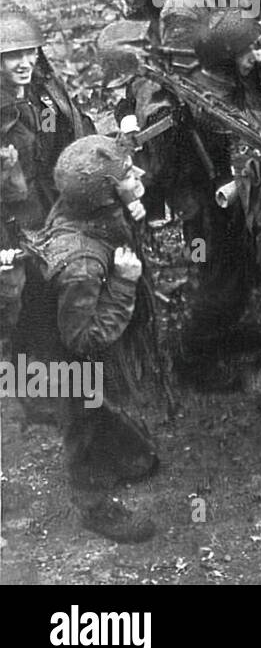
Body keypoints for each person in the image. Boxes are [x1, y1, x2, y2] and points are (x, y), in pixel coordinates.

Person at [27, 136, 160, 543]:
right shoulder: (82, 264)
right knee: (82, 420)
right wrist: (123, 285)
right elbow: (83, 339)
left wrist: (131, 211)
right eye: (127, 174)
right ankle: (93, 504)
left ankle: (122, 453)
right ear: (104, 195)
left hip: (72, 334)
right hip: (66, 359)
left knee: (100, 402)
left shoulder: (83, 205)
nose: (136, 174)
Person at [164, 12, 261, 389]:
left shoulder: (222, 78)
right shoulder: (208, 106)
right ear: (223, 60)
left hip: (230, 201)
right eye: (246, 51)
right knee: (223, 285)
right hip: (210, 209)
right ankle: (193, 361)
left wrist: (256, 64)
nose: (254, 56)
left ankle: (220, 336)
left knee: (237, 273)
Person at [1, 10, 94, 420]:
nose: (23, 62)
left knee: (50, 295)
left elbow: (75, 135)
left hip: (49, 210)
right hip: (10, 222)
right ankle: (28, 392)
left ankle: (59, 381)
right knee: (19, 305)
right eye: (11, 55)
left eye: (29, 52)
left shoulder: (45, 95)